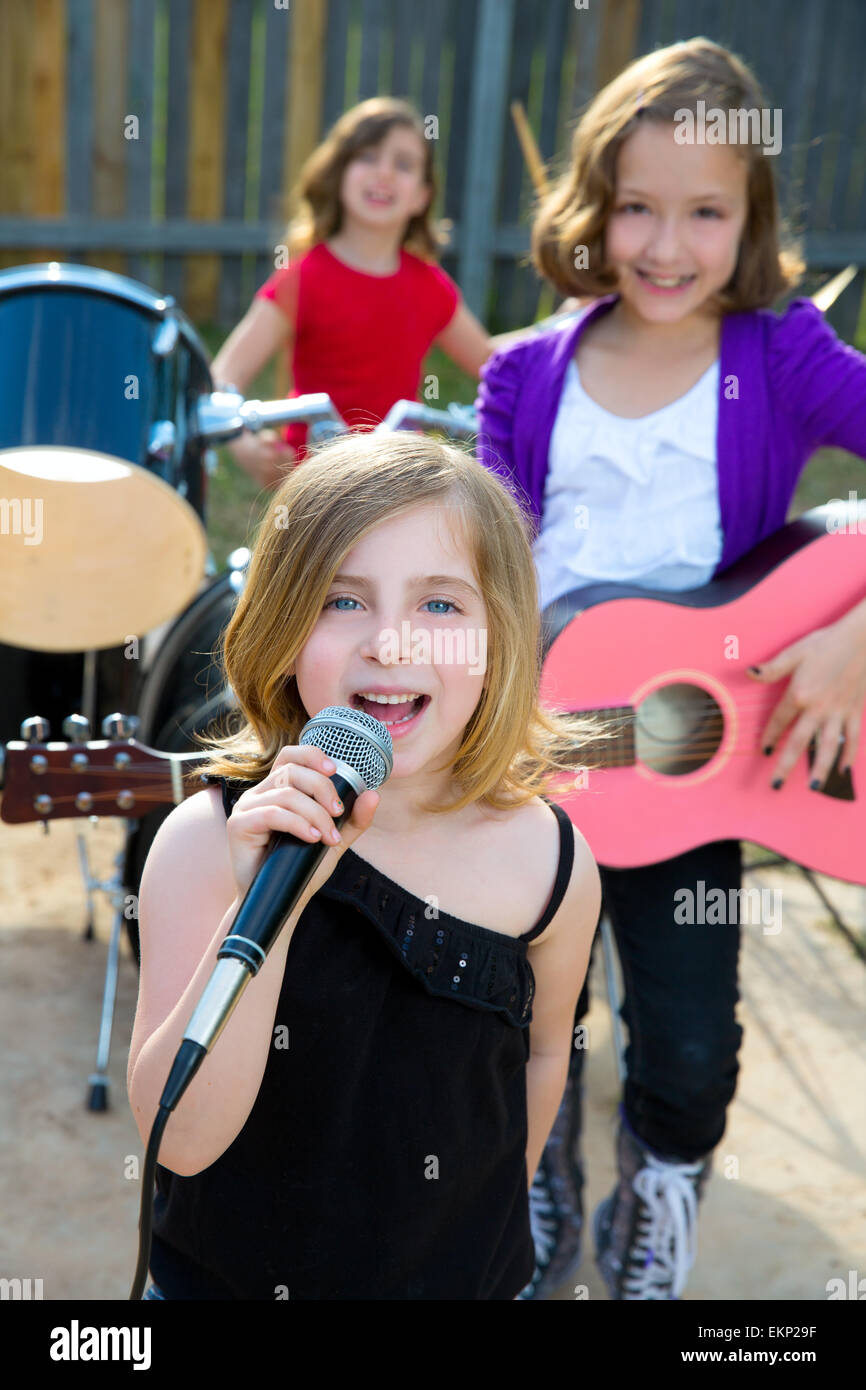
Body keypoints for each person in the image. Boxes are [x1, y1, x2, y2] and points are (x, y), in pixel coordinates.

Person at [475, 36, 866, 1301]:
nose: (663, 243)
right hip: (536, 758)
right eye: (634, 205)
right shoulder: (525, 375)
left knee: (689, 1048)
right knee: (514, 1011)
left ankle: (659, 1193)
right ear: (588, 206)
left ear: (749, 219)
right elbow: (480, 553)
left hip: (696, 765)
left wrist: (852, 638)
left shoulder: (783, 354)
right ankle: (536, 1178)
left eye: (705, 211)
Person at [127, 430, 603, 1300]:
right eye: (342, 602)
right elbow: (182, 1137)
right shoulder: (207, 842)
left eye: (442, 606)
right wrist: (256, 906)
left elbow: (541, 1060)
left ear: (500, 637)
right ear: (278, 622)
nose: (390, 642)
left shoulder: (553, 860)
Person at [210, 97, 492, 490]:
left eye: (404, 164)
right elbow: (223, 376)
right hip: (317, 489)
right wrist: (242, 442)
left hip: (401, 480)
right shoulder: (302, 279)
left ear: (422, 196)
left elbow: (492, 362)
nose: (384, 173)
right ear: (339, 173)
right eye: (368, 156)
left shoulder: (430, 286)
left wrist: (565, 326)